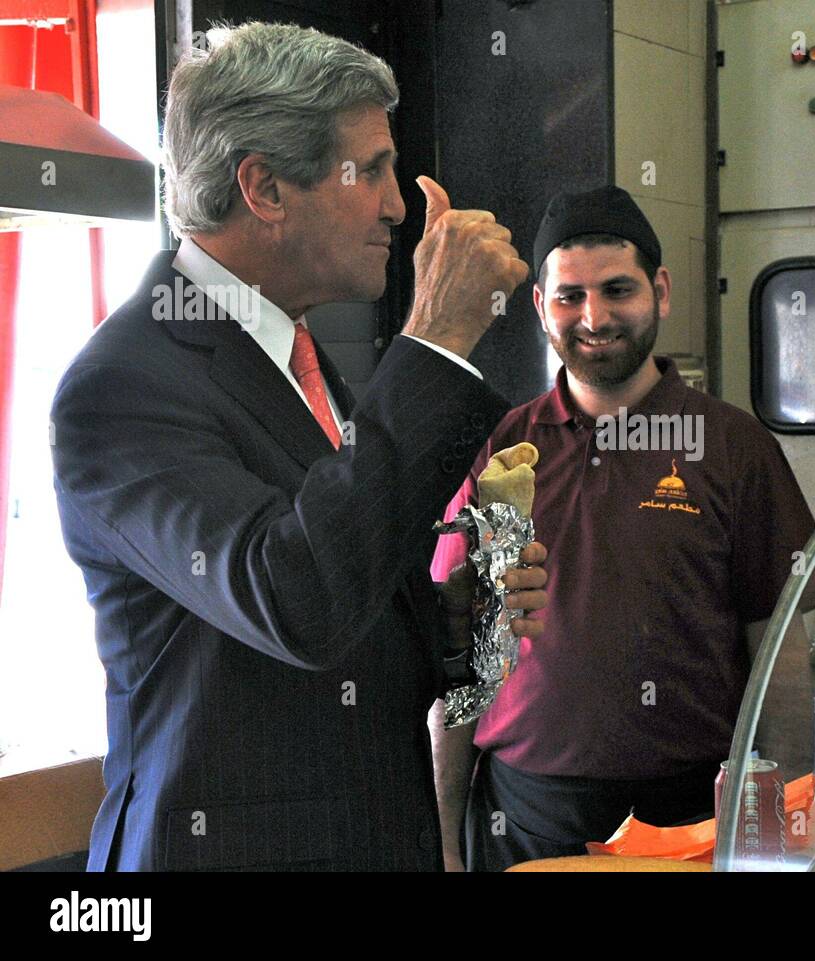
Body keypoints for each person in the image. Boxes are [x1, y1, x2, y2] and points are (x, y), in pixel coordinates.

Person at [50, 22, 547, 871]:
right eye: (373, 169)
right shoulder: (124, 386)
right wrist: (432, 341)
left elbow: (358, 616)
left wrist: (468, 614)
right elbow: (295, 599)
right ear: (265, 187)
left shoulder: (300, 361)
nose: (396, 204)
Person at [430, 185, 815, 871]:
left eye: (618, 290)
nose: (595, 317)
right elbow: (461, 655)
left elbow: (782, 654)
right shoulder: (501, 447)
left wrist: (781, 826)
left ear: (661, 291)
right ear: (540, 308)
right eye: (570, 297)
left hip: (691, 817)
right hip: (524, 816)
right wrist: (441, 840)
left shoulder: (731, 444)